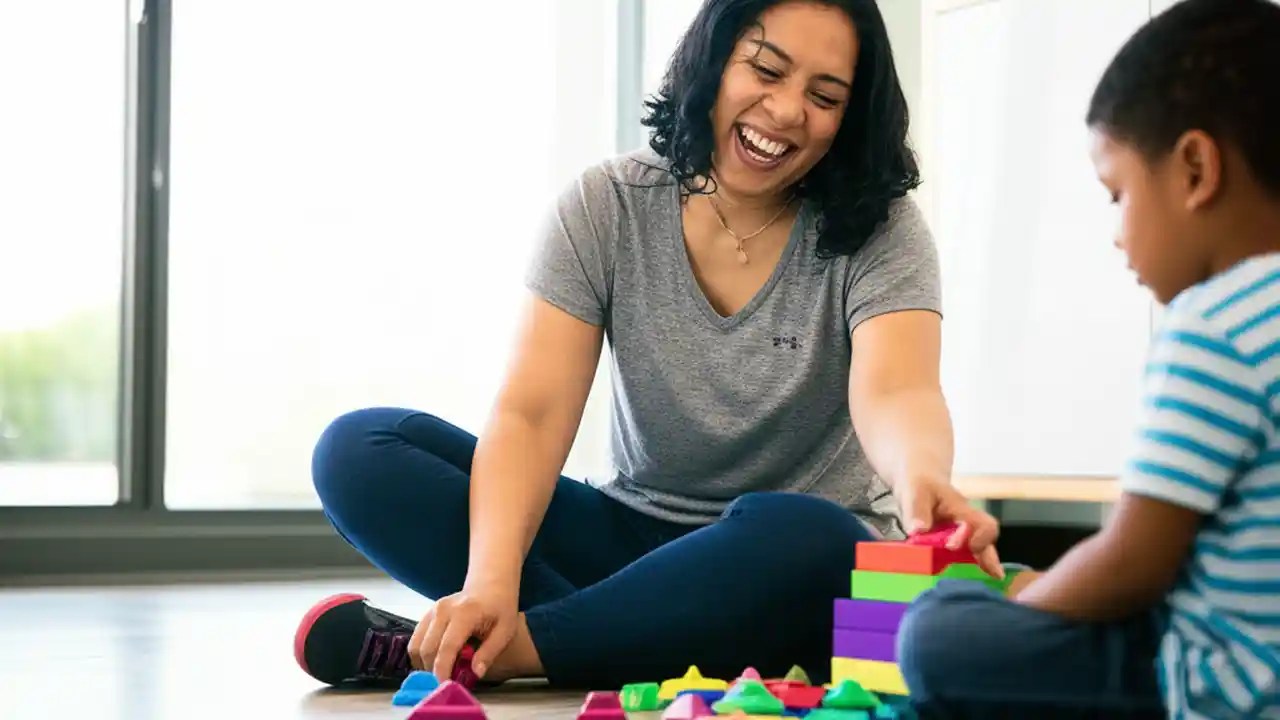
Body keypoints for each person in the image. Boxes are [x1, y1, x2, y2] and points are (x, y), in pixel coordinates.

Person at [293, 0, 1001, 692]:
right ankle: (592, 633)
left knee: (811, 534)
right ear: (715, 60)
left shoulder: (882, 230)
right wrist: (488, 581)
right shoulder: (608, 203)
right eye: (766, 69)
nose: (786, 111)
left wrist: (921, 478)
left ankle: (498, 652)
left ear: (850, 118)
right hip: (626, 538)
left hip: (781, 559)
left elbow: (896, 390)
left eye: (824, 95)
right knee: (359, 450)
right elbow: (533, 416)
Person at [897, 1, 1280, 718]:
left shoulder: (1213, 324)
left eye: (1118, 194)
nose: (1115, 234)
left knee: (935, 629)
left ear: (1195, 168)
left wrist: (1022, 597)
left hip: (1213, 685)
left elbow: (1134, 565)